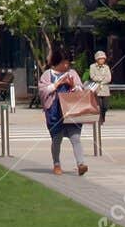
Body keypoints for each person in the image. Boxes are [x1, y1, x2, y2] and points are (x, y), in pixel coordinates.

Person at [38, 48, 89, 176]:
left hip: (71, 110)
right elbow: (43, 91)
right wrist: (57, 84)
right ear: (57, 62)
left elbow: (80, 89)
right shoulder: (47, 74)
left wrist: (73, 86)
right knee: (57, 139)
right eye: (64, 63)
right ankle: (56, 163)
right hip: (55, 111)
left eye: (67, 63)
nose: (66, 65)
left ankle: (80, 164)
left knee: (75, 137)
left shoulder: (72, 73)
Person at [88, 50, 112, 125]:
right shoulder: (92, 66)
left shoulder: (106, 67)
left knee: (105, 106)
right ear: (97, 59)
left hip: (105, 89)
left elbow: (109, 78)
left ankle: (103, 116)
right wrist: (101, 78)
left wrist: (101, 81)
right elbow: (92, 76)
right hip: (97, 89)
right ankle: (100, 118)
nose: (102, 60)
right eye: (100, 58)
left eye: (103, 58)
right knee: (99, 105)